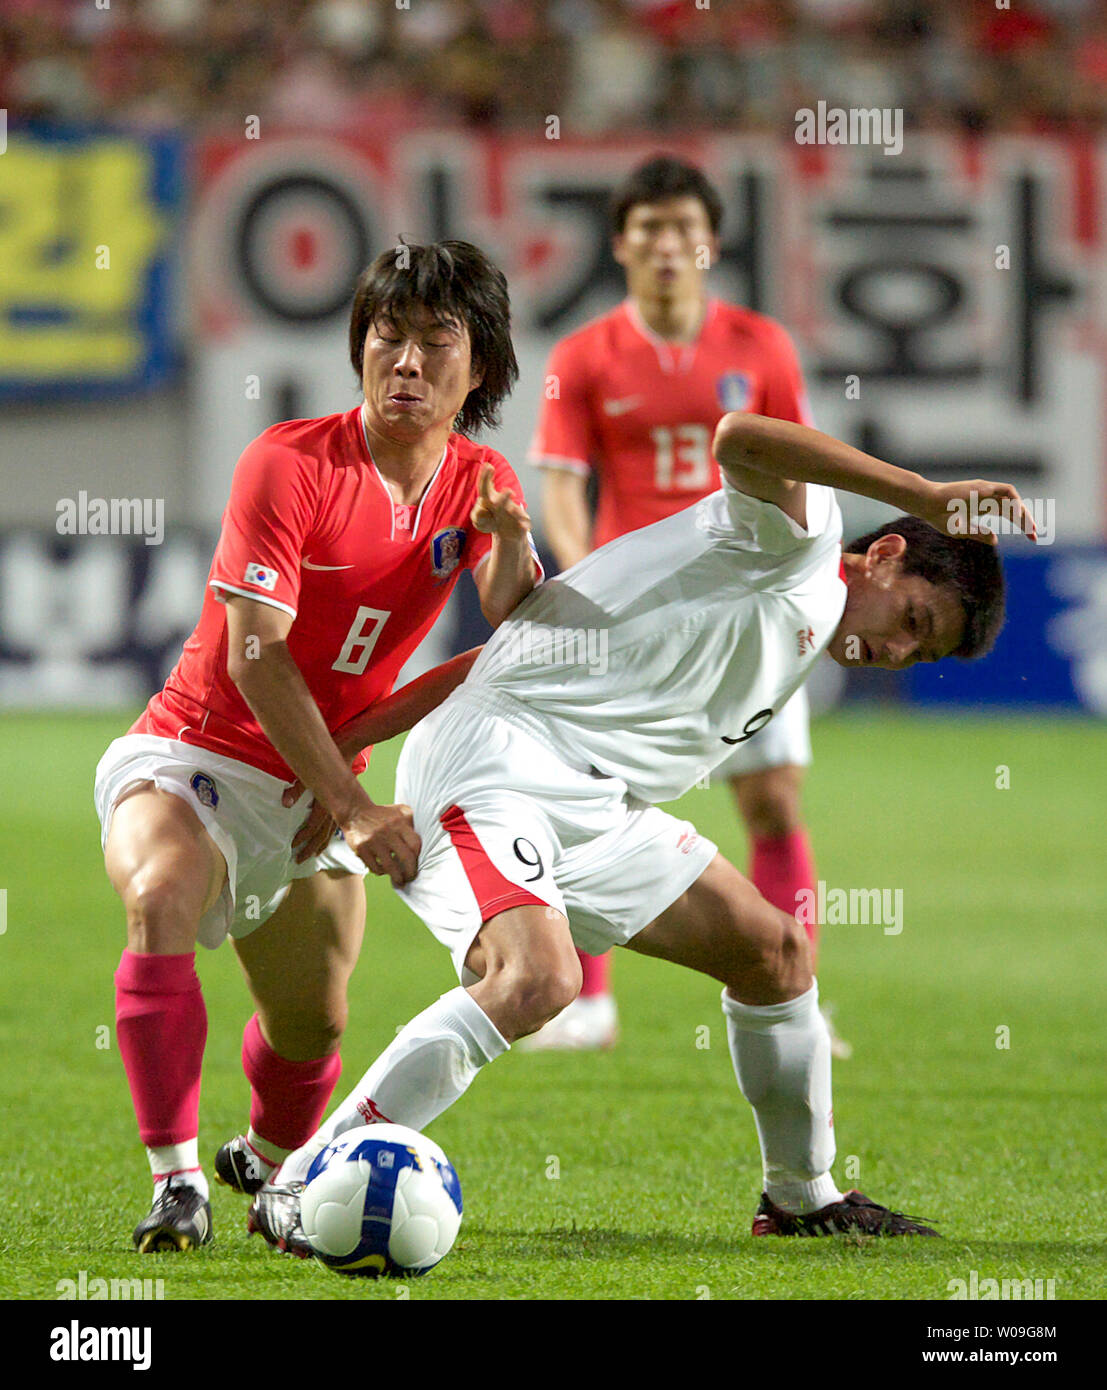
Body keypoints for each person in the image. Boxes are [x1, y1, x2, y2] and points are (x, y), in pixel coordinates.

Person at [247, 411, 1035, 1250]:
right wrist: (922, 491)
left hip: (593, 802)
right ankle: (300, 1182)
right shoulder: (797, 544)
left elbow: (512, 648)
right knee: (536, 982)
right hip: (500, 765)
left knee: (775, 953)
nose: (896, 652)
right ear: (884, 555)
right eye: (911, 622)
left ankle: (802, 1196)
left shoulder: (793, 622)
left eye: (920, 654)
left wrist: (357, 739)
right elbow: (737, 436)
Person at [94, 240, 540, 1252]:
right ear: (360, 347)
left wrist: (510, 545)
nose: (409, 363)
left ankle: (263, 1156)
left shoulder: (480, 481)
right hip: (194, 755)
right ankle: (174, 1183)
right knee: (161, 894)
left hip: (314, 788)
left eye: (437, 343)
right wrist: (349, 799)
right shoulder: (290, 463)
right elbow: (256, 659)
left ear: (481, 369)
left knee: (313, 1032)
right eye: (389, 338)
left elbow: (507, 637)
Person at [530, 155, 840, 1052]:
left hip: (750, 609)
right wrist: (591, 583)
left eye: (683, 229)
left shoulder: (761, 347)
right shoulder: (584, 354)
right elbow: (560, 484)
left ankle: (798, 995)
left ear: (709, 244)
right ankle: (587, 1002)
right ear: (620, 243)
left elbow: (803, 469)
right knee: (589, 798)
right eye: (648, 229)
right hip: (636, 611)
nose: (667, 245)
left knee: (772, 800)